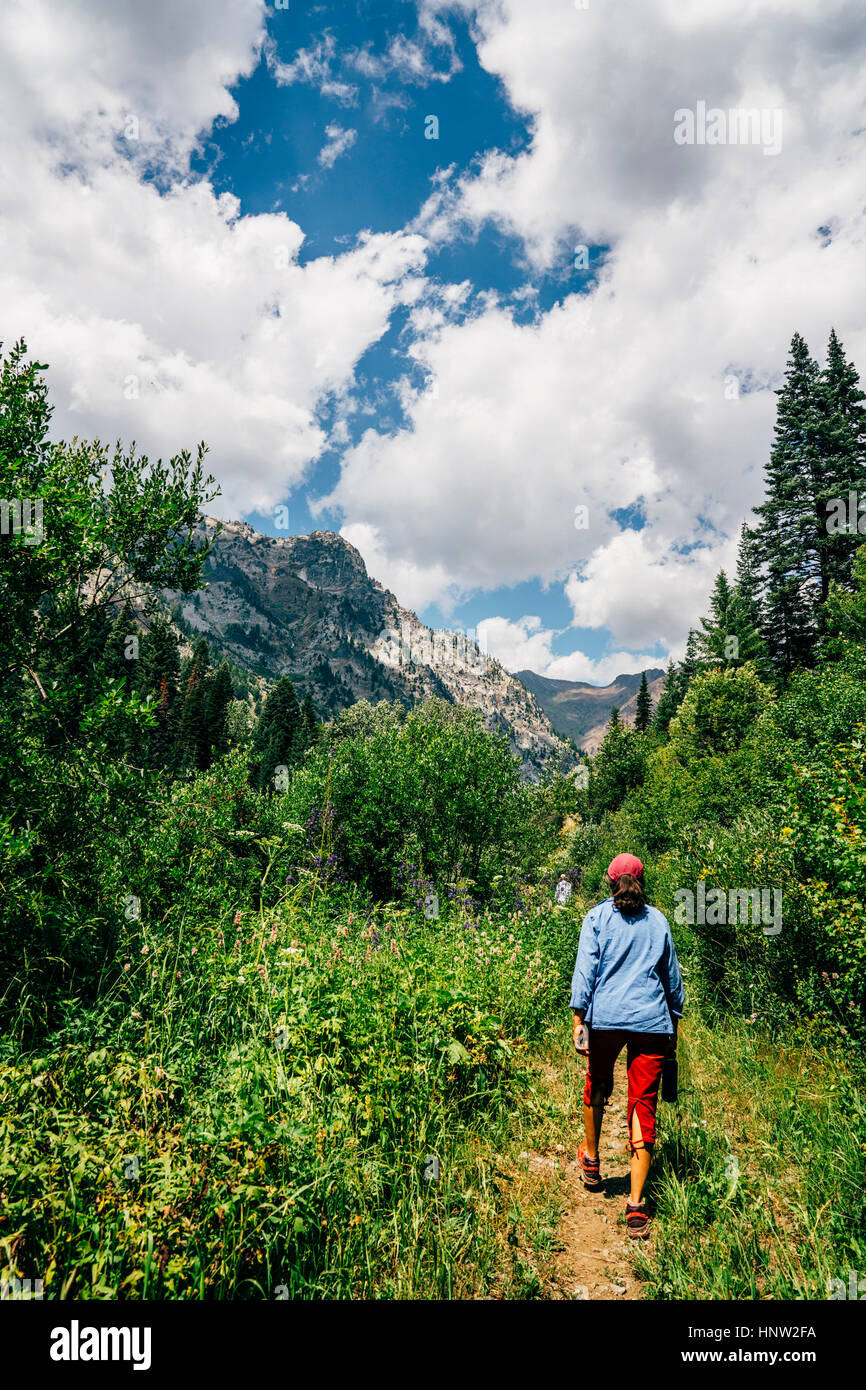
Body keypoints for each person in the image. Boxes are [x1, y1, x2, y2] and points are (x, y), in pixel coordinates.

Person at [570, 853, 684, 1239]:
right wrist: (674, 1022)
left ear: (609, 881)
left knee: (597, 1082)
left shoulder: (597, 918)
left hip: (605, 1017)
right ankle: (636, 1205)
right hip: (651, 1022)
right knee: (642, 1102)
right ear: (640, 881)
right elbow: (672, 978)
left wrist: (578, 1017)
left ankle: (592, 1161)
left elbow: (586, 969)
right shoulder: (658, 920)